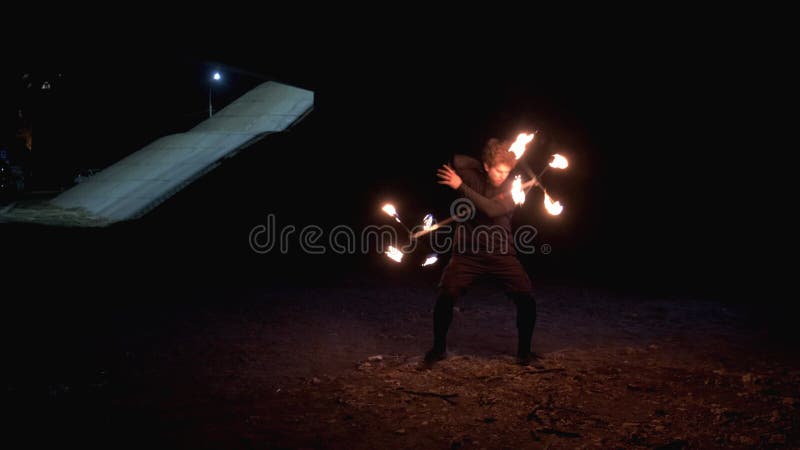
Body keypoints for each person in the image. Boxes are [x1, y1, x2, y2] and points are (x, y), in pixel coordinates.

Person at [425, 137, 538, 365]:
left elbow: (491, 209)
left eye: (507, 171)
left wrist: (460, 186)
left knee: (526, 299)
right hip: (467, 254)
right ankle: (438, 349)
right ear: (486, 166)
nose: (503, 176)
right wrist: (486, 160)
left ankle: (524, 353)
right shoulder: (472, 175)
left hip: (500, 253)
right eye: (498, 170)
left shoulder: (515, 186)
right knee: (446, 296)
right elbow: (455, 159)